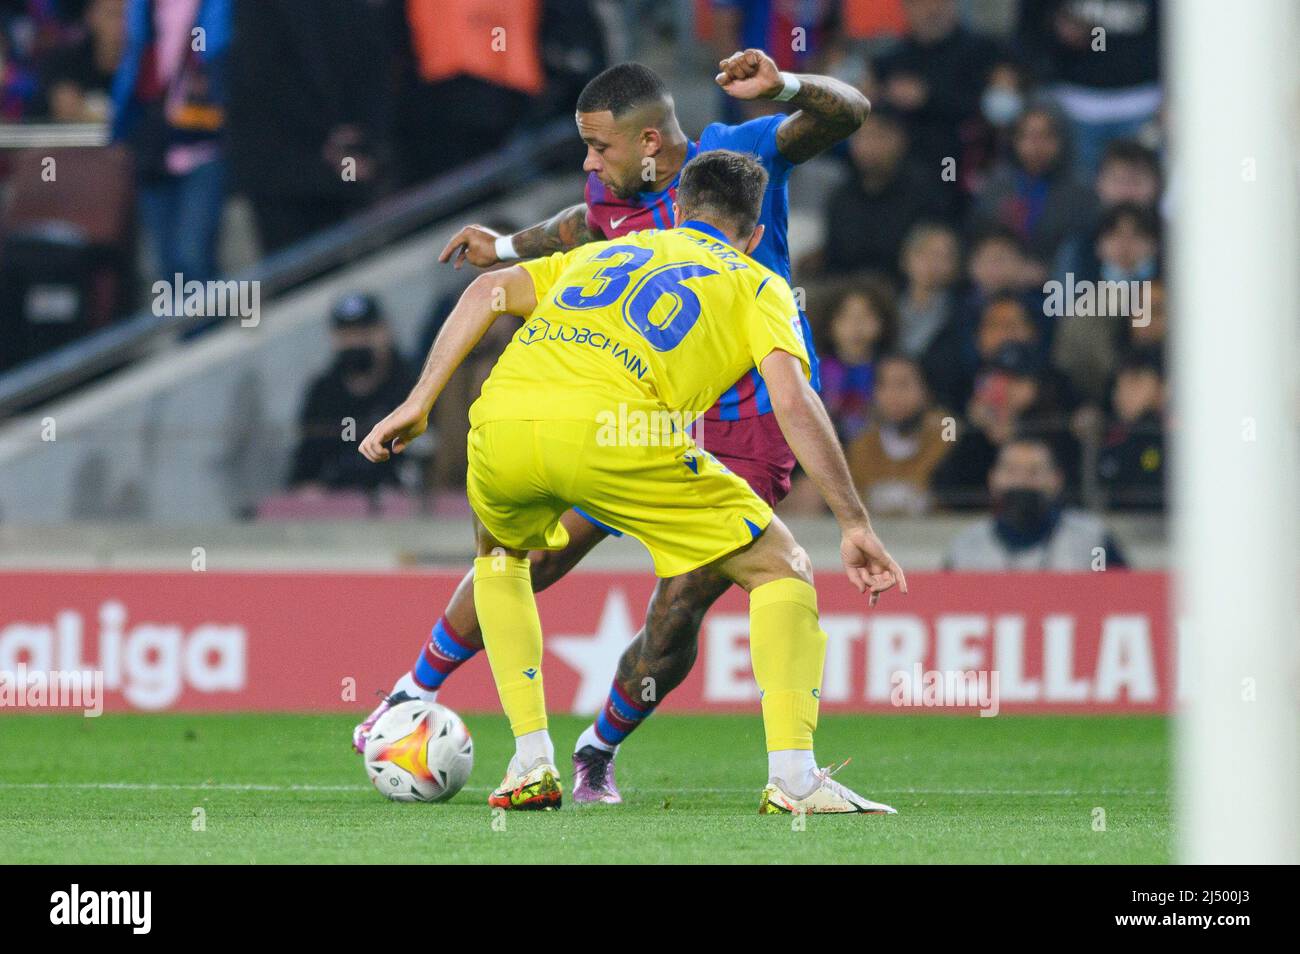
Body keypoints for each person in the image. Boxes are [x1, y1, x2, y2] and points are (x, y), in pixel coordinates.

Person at [353, 55, 872, 806]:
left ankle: (595, 749)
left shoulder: (738, 156)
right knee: (533, 559)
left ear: (653, 143)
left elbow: (848, 112)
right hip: (627, 411)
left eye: (600, 148)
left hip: (742, 425)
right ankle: (409, 693)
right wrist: (501, 248)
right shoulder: (612, 193)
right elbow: (579, 228)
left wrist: (789, 86)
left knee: (678, 606)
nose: (590, 163)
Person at [288, 293, 417, 493]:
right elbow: (305, 465)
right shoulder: (323, 393)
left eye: (364, 332)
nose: (356, 342)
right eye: (347, 334)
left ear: (384, 331)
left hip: (402, 504)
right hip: (337, 509)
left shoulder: (410, 386)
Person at [944, 438, 1125, 570]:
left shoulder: (1091, 540)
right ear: (993, 479)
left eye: (1034, 472)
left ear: (1056, 480)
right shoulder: (967, 545)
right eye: (1011, 471)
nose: (1022, 480)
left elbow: (1125, 599)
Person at [845, 353, 952, 516]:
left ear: (926, 391)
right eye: (883, 385)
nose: (893, 395)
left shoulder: (945, 436)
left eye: (903, 384)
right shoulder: (861, 446)